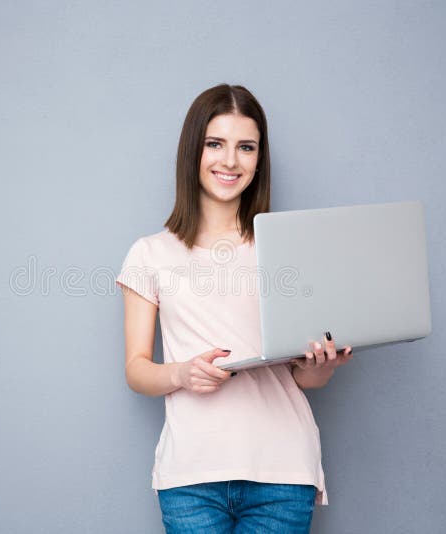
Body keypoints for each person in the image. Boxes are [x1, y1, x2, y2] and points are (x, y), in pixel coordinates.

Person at [115, 84, 354, 533]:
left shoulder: (286, 251)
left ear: (259, 159)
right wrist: (181, 373)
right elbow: (135, 369)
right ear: (193, 152)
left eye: (246, 147)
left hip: (282, 472)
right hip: (191, 477)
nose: (230, 161)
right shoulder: (149, 254)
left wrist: (321, 368)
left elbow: (301, 375)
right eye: (215, 144)